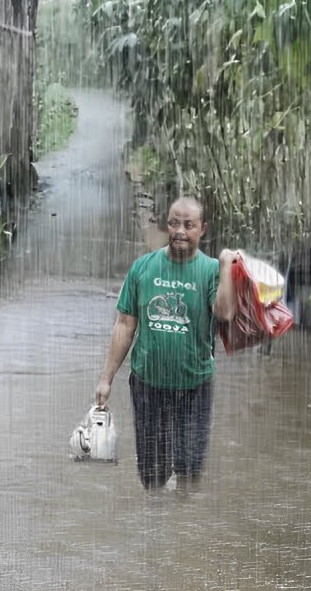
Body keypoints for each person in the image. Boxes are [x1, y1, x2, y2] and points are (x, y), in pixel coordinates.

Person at [94, 196, 238, 491]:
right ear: (166, 226)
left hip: (194, 386)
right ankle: (156, 527)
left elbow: (224, 313)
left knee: (189, 470)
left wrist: (226, 267)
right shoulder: (143, 268)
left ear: (203, 229)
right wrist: (105, 379)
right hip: (148, 385)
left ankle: (182, 526)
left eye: (189, 225)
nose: (180, 231)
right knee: (152, 475)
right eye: (174, 223)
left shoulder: (211, 270)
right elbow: (124, 325)